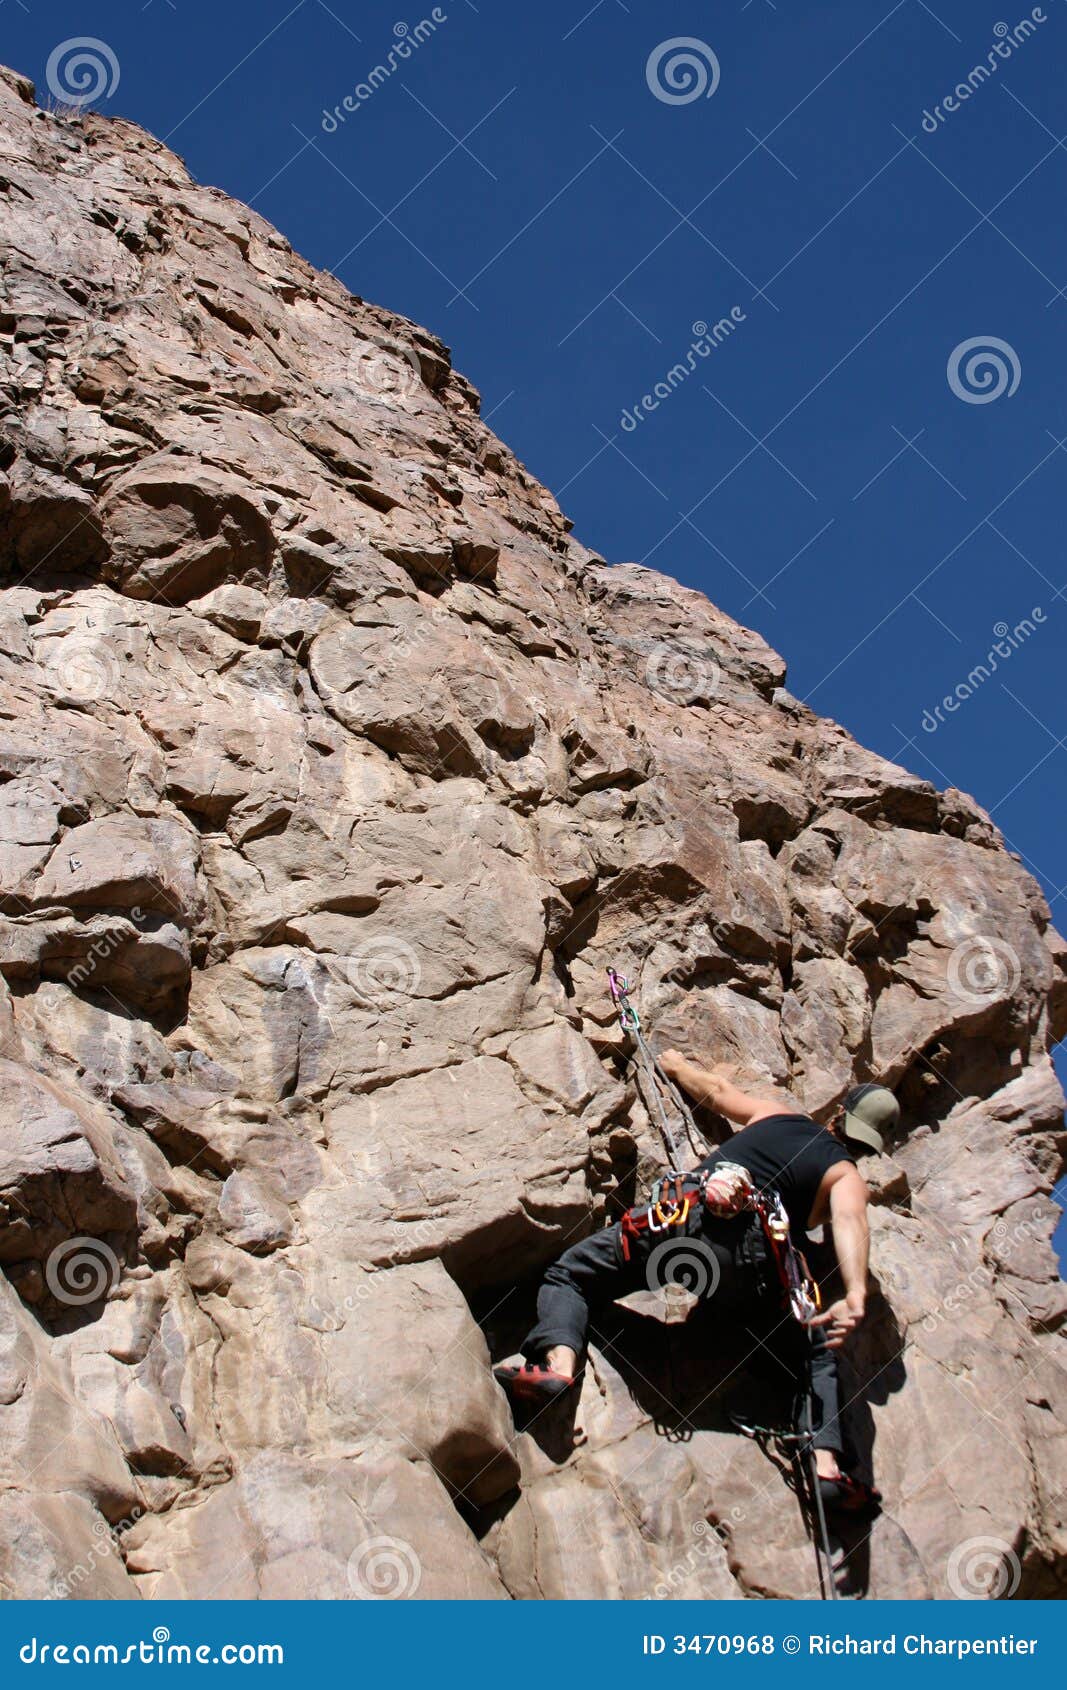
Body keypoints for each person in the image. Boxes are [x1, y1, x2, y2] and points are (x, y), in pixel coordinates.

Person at [494, 1060, 900, 1513]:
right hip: (747, 1264)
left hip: (680, 1226)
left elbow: (716, 1090)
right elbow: (850, 1217)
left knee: (570, 1273)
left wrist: (673, 1063)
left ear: (838, 1114)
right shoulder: (844, 1174)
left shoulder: (779, 1115)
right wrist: (857, 1292)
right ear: (868, 1147)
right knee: (815, 1348)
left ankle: (560, 1364)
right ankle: (825, 1467)